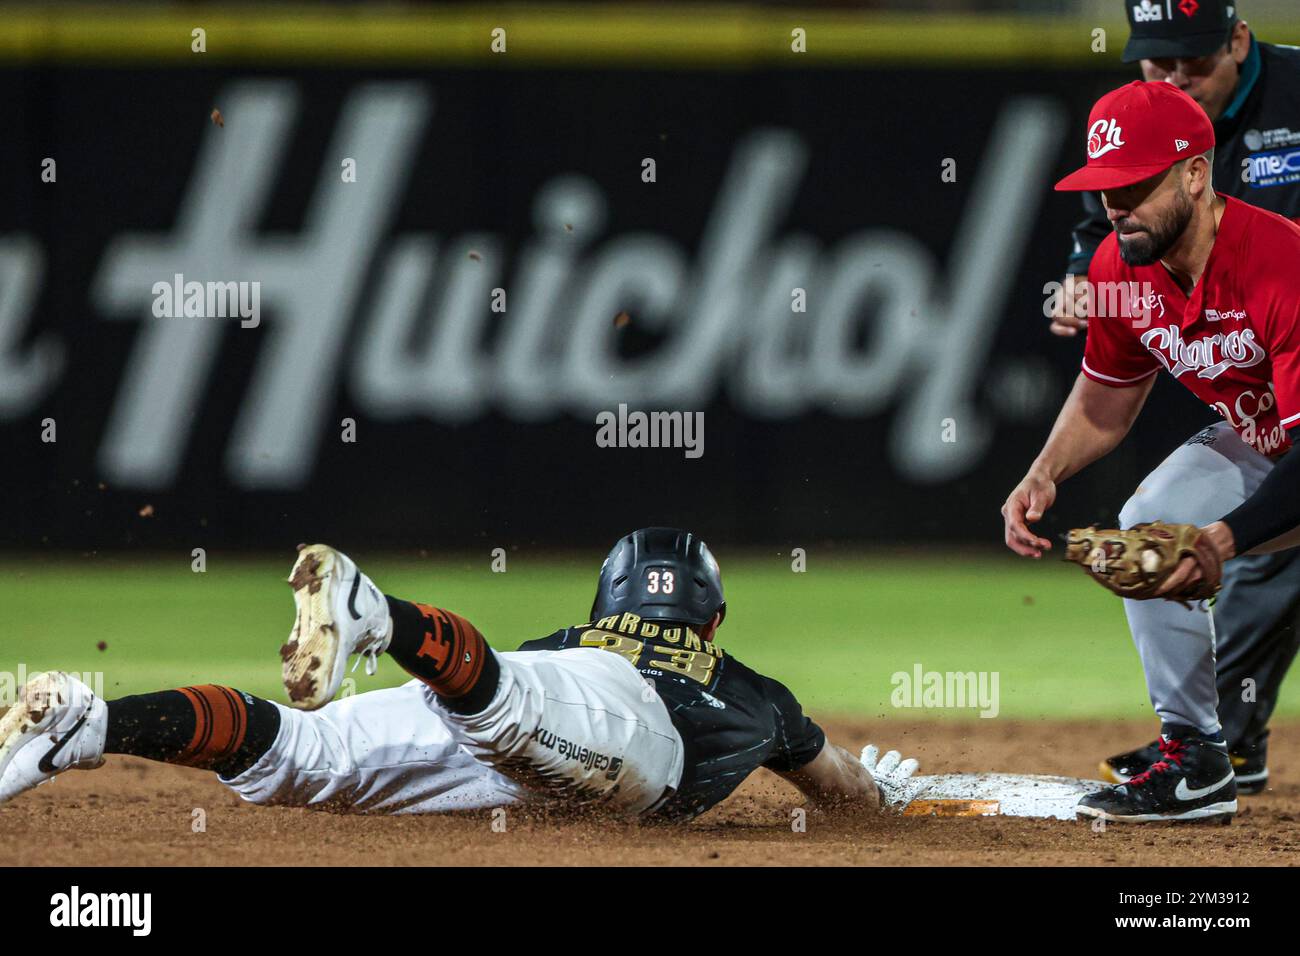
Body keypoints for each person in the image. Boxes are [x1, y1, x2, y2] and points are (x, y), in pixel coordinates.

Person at [0, 529, 919, 820]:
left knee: (301, 756)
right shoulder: (757, 693)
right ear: (715, 621)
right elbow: (842, 789)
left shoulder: (576, 635)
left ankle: (91, 726)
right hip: (623, 733)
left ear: (607, 602)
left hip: (504, 702)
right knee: (511, 716)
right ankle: (377, 613)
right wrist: (881, 803)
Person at [1005, 79, 1300, 822]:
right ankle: (1197, 757)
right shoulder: (1116, 265)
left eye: (1134, 185)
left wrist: (1223, 540)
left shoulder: (1281, 263)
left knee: (1190, 539)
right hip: (1276, 444)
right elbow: (1106, 395)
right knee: (1156, 525)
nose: (1115, 206)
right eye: (1104, 188)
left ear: (1196, 174)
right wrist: (1044, 472)